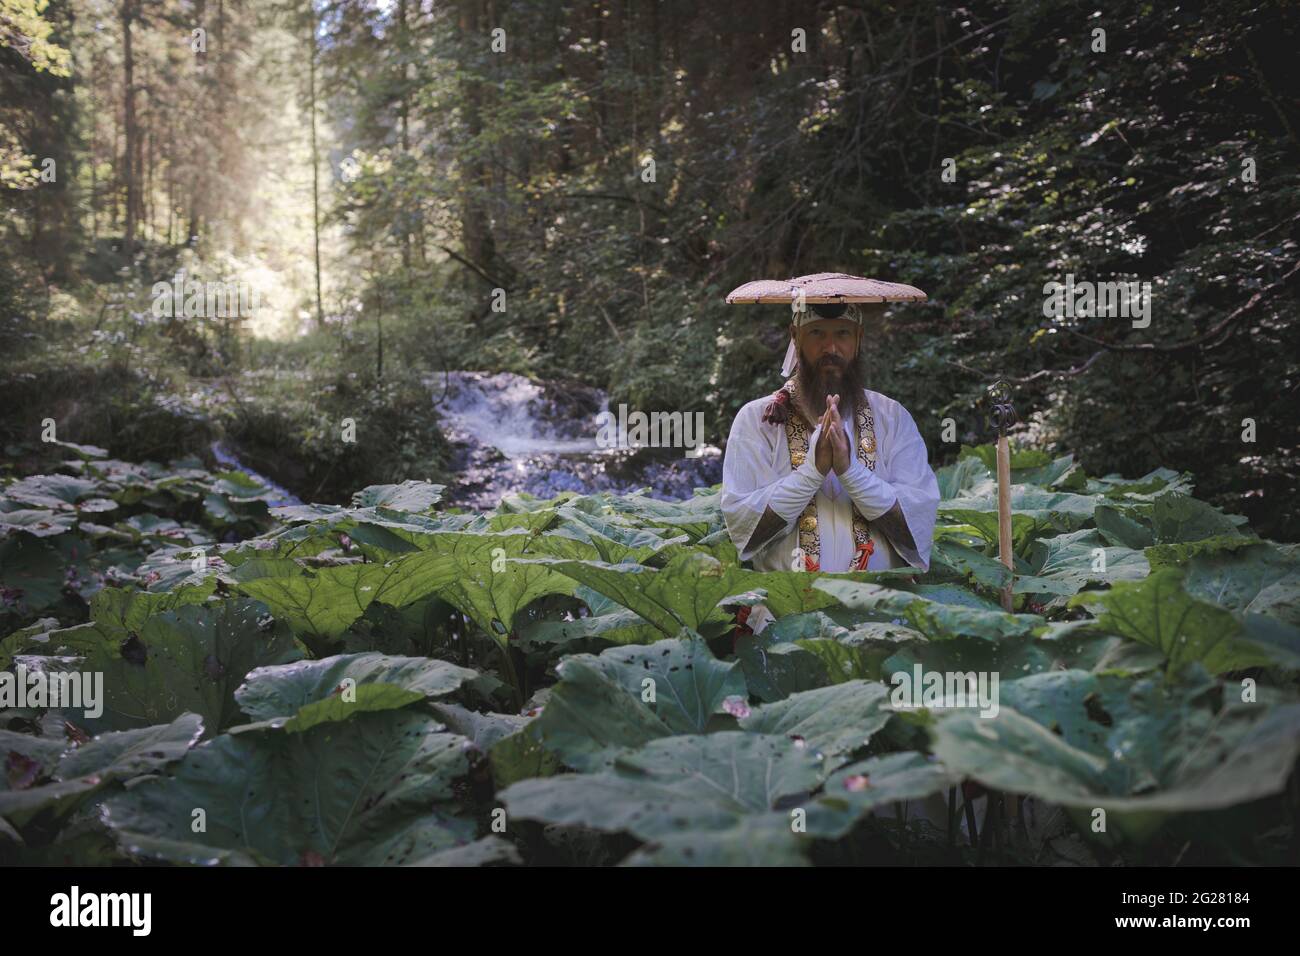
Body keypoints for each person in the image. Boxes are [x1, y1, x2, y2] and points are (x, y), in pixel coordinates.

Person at [720, 301, 939, 587]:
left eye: (842, 334)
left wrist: (851, 473)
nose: (831, 348)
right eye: (817, 333)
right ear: (795, 337)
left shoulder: (892, 416)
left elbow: (918, 525)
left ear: (859, 338)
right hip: (788, 614)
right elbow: (744, 528)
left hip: (881, 611)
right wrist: (812, 473)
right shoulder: (756, 420)